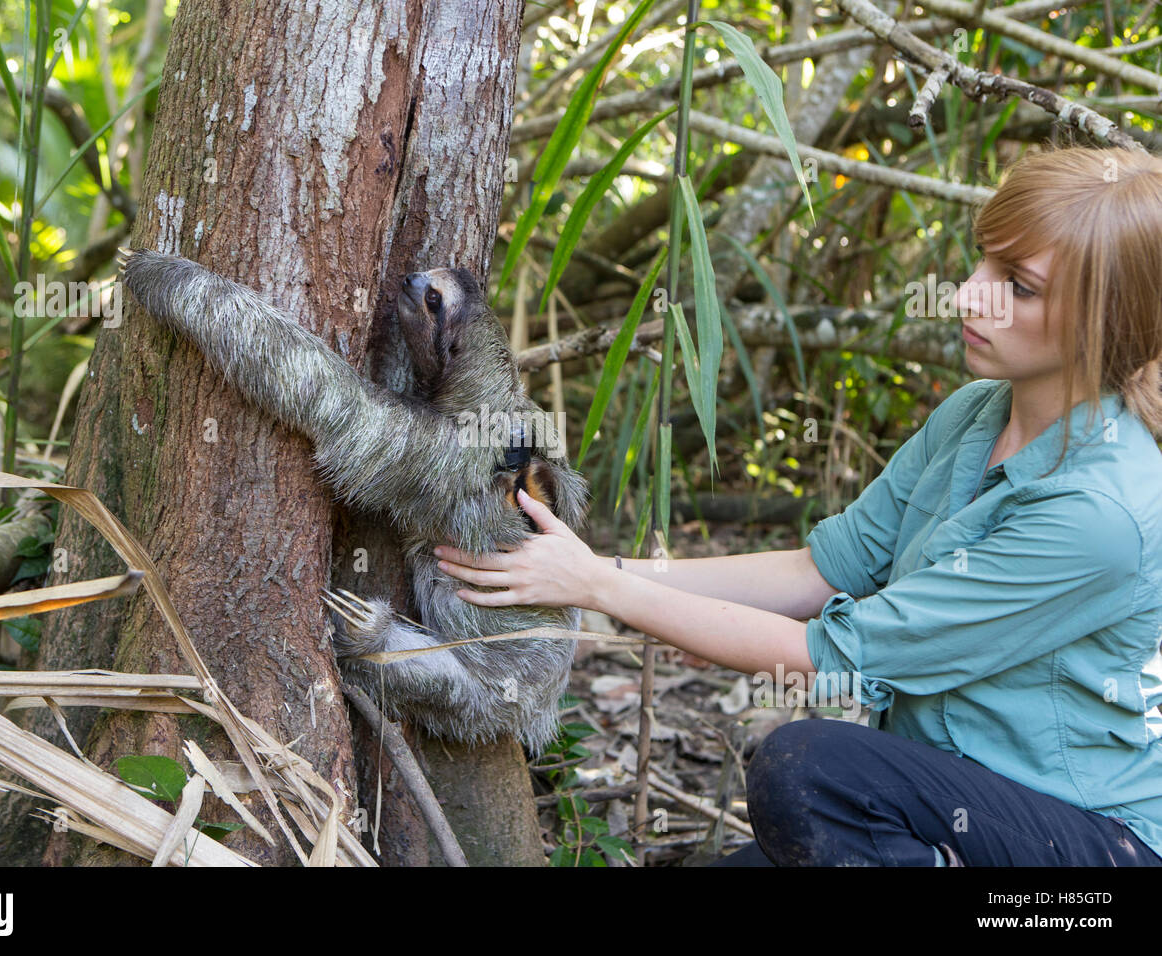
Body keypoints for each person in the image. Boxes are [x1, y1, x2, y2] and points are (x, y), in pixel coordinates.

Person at [433, 144, 1162, 866]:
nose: (970, 294)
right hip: (942, 806)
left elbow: (835, 661)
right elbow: (820, 570)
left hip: (1085, 849)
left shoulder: (1099, 511)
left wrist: (599, 589)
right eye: (982, 261)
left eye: (1018, 285)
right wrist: (595, 567)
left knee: (807, 771)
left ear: (1110, 320)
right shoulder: (977, 413)